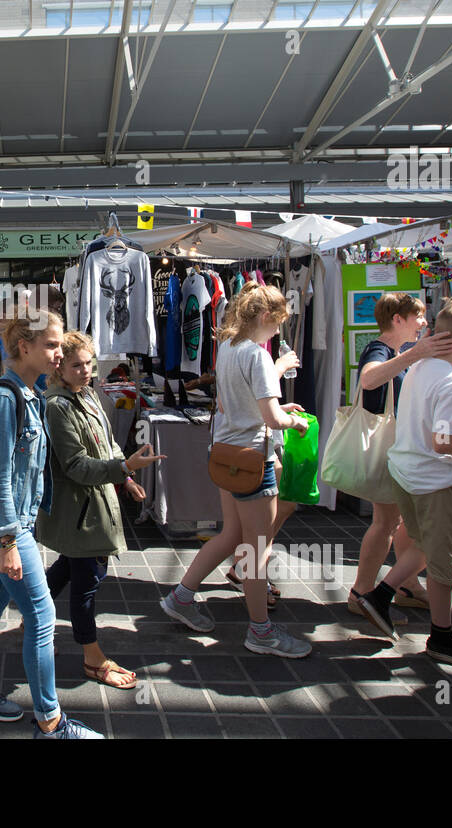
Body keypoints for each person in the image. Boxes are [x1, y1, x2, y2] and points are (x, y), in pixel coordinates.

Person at [0, 307, 102, 738]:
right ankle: (51, 723)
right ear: (25, 347)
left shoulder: (29, 394)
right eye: (52, 345)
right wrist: (7, 543)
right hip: (4, 528)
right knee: (41, 614)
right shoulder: (5, 400)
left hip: (5, 526)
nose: (60, 353)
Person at [159, 282, 314, 658]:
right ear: (264, 317)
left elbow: (234, 404)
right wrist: (293, 422)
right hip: (252, 459)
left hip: (227, 452)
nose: (277, 331)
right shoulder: (257, 355)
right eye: (277, 323)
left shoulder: (227, 348)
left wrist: (277, 412)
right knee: (257, 548)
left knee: (230, 535)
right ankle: (260, 631)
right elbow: (271, 418)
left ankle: (181, 597)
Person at [356, 296, 452, 672]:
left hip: (407, 473)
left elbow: (432, 428)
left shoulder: (420, 367)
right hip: (435, 480)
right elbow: (443, 442)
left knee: (423, 544)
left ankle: (381, 594)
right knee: (445, 564)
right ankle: (442, 636)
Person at [42, 330, 164, 689]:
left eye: (89, 364)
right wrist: (124, 469)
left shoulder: (89, 396)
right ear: (58, 367)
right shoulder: (56, 406)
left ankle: (33, 614)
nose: (86, 371)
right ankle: (93, 658)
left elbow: (107, 443)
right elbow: (77, 465)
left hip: (94, 507)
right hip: (81, 512)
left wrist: (125, 479)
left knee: (70, 566)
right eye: (77, 365)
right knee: (86, 582)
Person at [347, 293, 452, 617]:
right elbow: (369, 379)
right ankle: (361, 591)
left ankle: (408, 584)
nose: (424, 323)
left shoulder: (393, 351)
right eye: (418, 316)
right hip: (387, 448)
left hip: (396, 449)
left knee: (399, 522)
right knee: (387, 523)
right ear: (398, 319)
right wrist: (415, 354)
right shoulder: (380, 349)